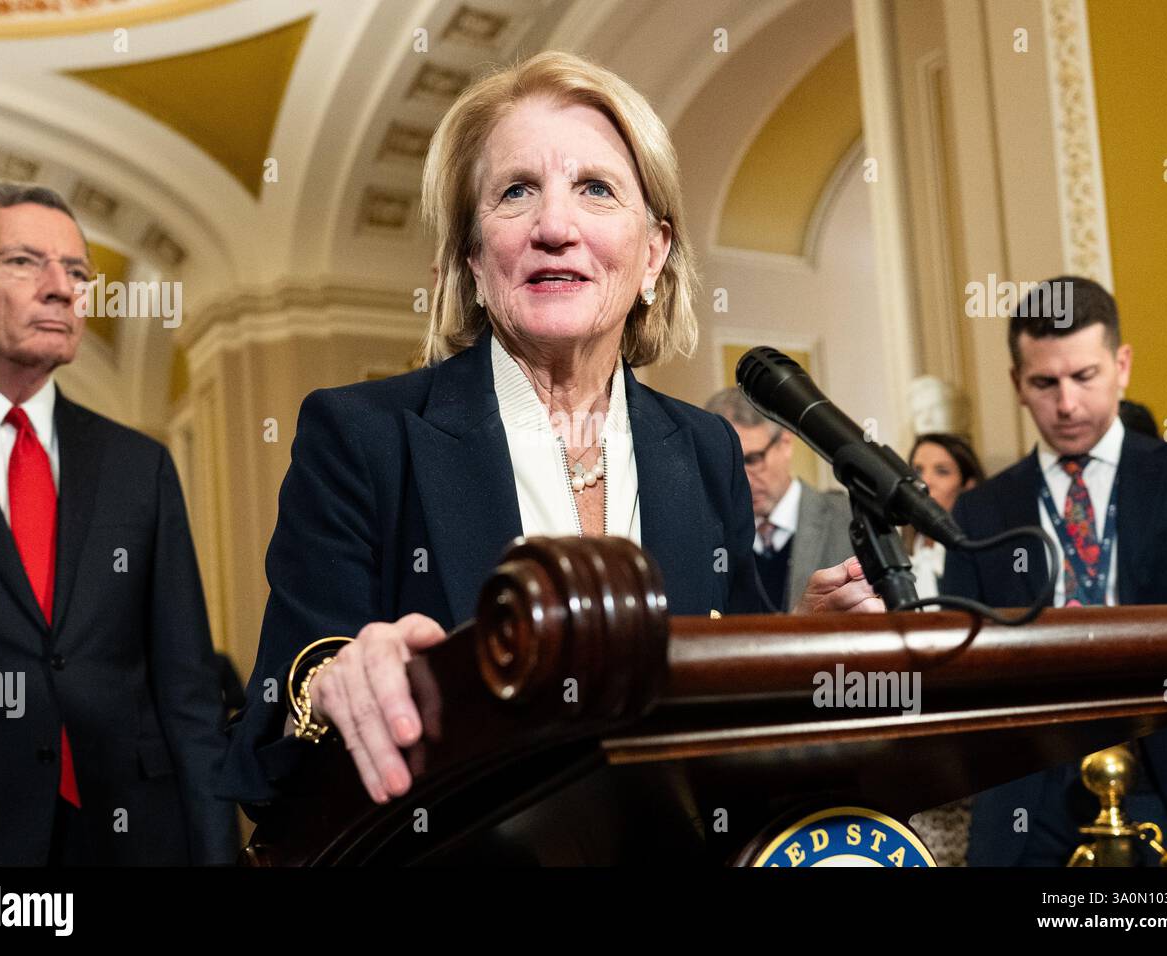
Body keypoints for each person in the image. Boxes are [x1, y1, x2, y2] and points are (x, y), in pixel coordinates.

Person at [221, 52, 881, 811]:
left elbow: (724, 708)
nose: (554, 226)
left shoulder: (705, 451)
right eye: (515, 193)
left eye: (595, 189)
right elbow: (269, 744)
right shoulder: (362, 437)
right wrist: (338, 685)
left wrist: (792, 648)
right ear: (472, 259)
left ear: (654, 254)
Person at [0, 182, 237, 865]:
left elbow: (187, 691)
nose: (61, 289)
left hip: (132, 837)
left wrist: (217, 854)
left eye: (76, 272)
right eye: (25, 263)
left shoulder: (139, 468)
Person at [942, 275, 1167, 866]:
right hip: (1031, 792)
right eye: (1045, 383)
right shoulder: (981, 509)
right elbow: (962, 654)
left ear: (1121, 364)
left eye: (1084, 377)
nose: (1067, 404)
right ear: (1017, 384)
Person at [704, 387, 852, 611]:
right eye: (728, 464)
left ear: (785, 443)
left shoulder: (848, 519)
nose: (741, 478)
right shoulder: (711, 535)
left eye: (752, 459)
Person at [905, 433, 984, 599]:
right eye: (917, 471)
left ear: (968, 486)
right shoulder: (896, 553)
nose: (924, 482)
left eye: (942, 471)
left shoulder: (984, 558)